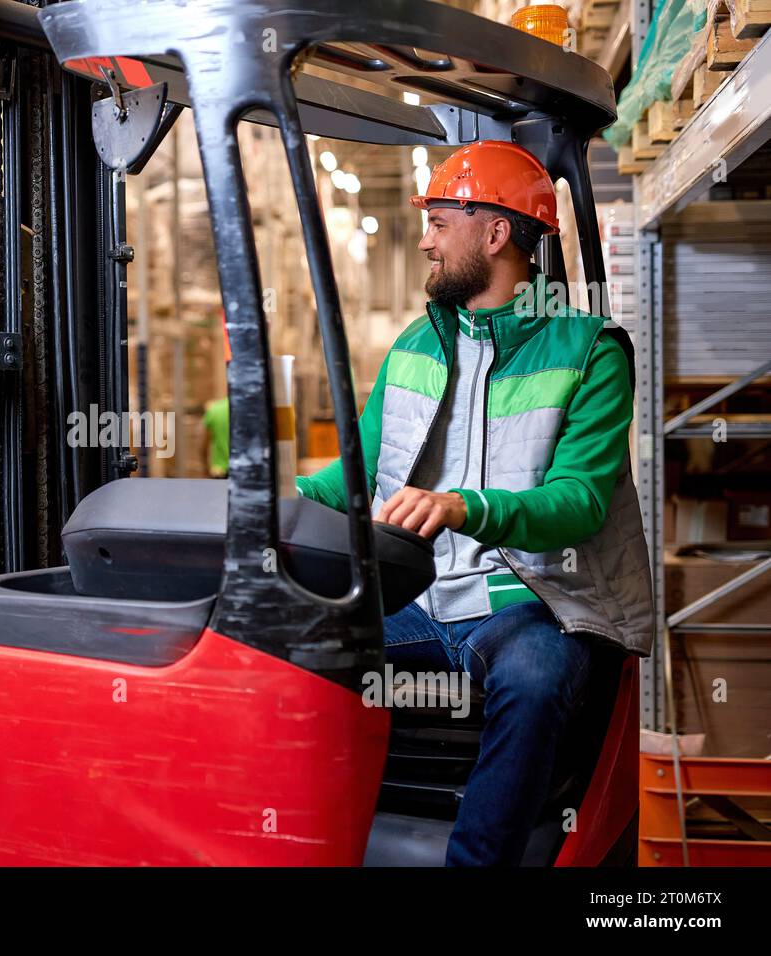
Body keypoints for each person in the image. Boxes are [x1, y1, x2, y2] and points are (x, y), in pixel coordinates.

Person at [297, 140, 653, 866]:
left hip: (531, 599)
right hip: (420, 600)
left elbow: (580, 502)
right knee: (288, 643)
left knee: (536, 677)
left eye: (439, 221)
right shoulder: (414, 348)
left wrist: (467, 507)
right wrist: (262, 509)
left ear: (494, 233)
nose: (425, 240)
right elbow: (357, 477)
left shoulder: (592, 352)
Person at [202, 395, 229, 479]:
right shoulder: (254, 410)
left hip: (220, 471)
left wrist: (205, 468)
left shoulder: (215, 409)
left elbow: (203, 445)